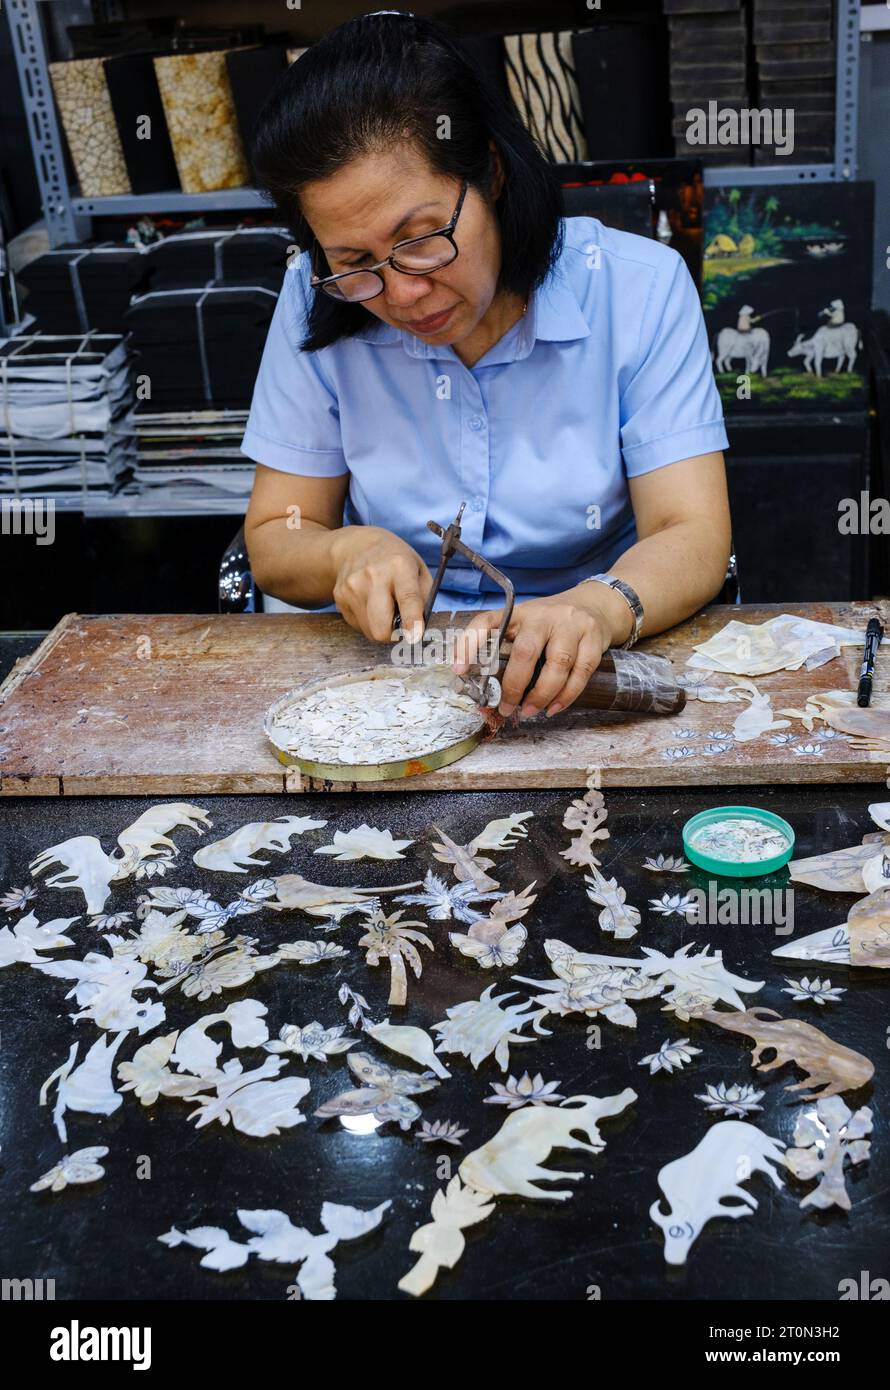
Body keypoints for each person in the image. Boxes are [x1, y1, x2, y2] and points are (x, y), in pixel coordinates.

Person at [242, 11, 731, 720]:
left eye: (421, 239)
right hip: (389, 669)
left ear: (493, 173)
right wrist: (345, 552)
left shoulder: (639, 288)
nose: (403, 293)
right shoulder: (312, 296)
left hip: (589, 655)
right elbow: (276, 535)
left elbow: (692, 531)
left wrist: (597, 606)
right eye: (353, 261)